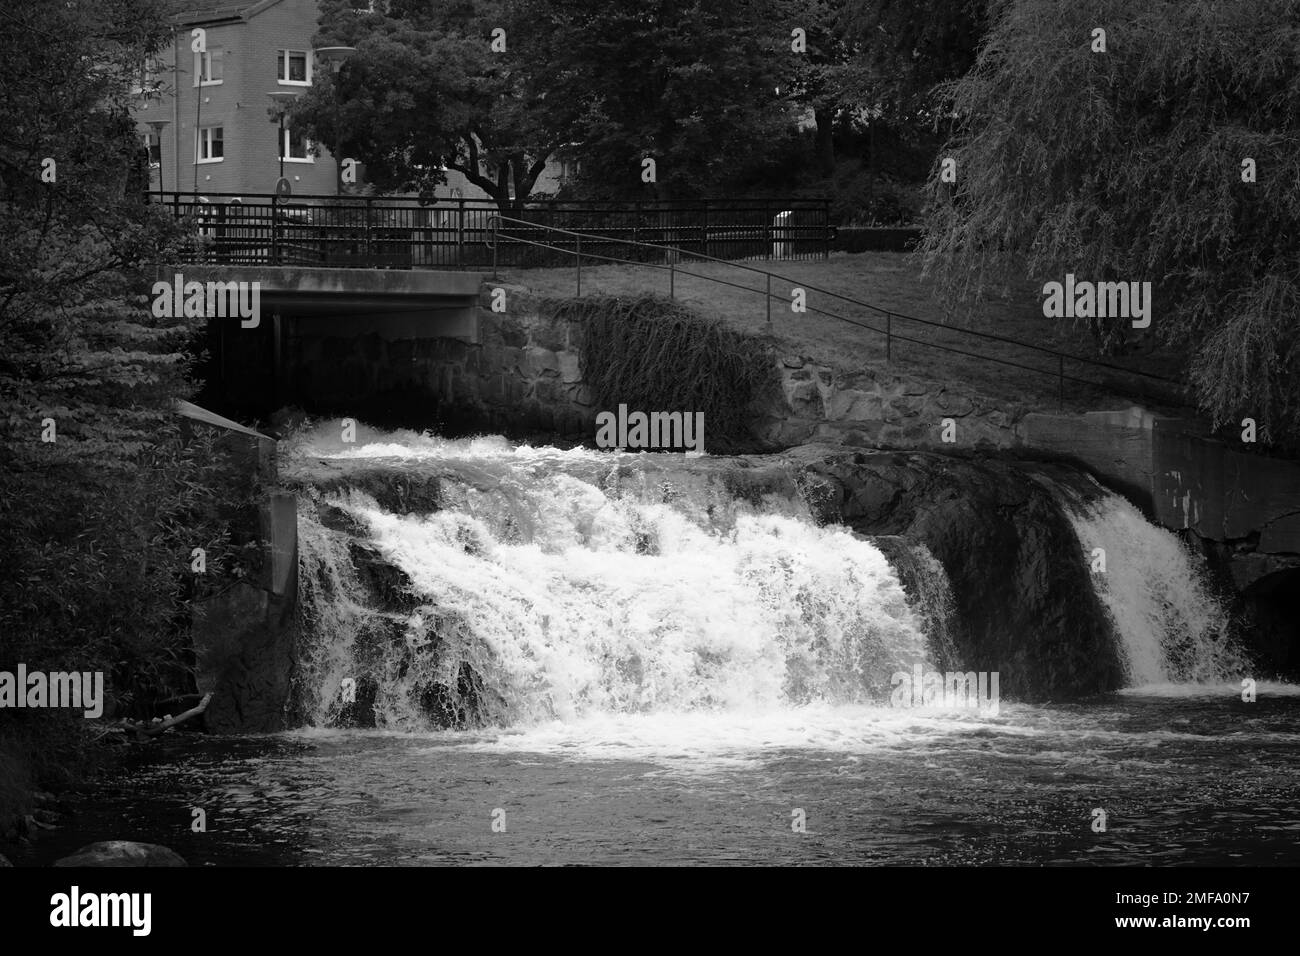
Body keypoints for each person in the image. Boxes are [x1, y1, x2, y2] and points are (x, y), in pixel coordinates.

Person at [119, 693, 212, 741]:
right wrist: (208, 696)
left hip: (156, 729)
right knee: (198, 709)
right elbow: (199, 709)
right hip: (160, 728)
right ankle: (207, 696)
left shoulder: (142, 729)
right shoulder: (150, 729)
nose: (147, 722)